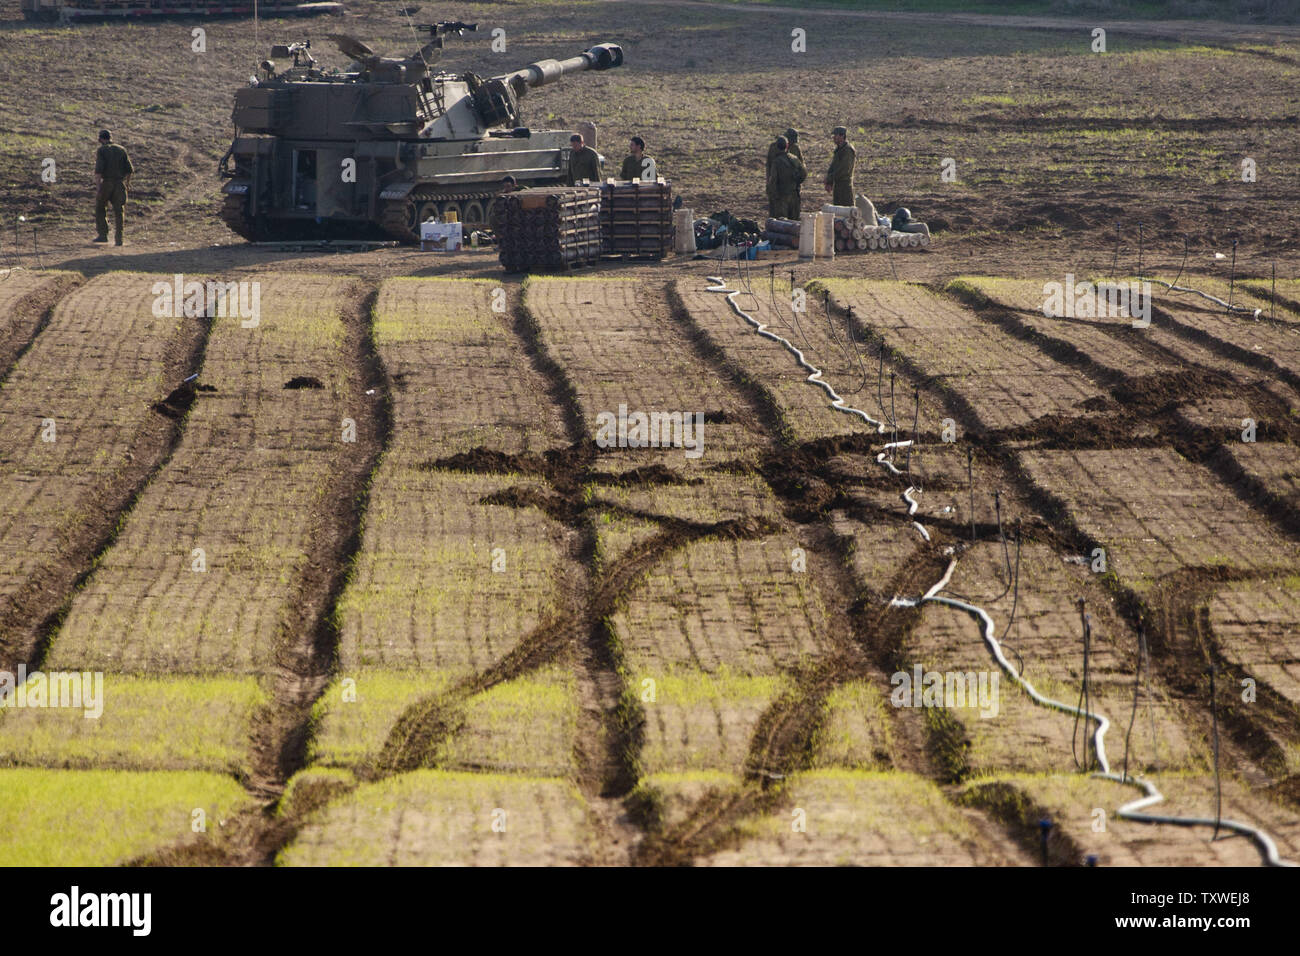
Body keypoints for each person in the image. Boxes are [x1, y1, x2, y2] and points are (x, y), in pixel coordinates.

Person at [94, 129, 133, 246]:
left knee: (100, 207)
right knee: (119, 211)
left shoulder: (102, 150)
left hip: (107, 183)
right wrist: (127, 183)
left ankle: (103, 235)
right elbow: (129, 170)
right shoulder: (122, 149)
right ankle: (119, 239)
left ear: (100, 139)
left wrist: (98, 187)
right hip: (119, 183)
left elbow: (98, 170)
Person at [765, 128, 803, 218]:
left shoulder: (796, 148)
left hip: (792, 188)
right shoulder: (774, 147)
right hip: (778, 187)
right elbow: (769, 167)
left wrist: (797, 181)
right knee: (777, 215)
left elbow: (802, 168)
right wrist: (770, 186)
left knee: (793, 215)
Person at [824, 125, 856, 207]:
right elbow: (833, 167)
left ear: (842, 136)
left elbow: (843, 170)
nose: (833, 137)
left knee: (847, 211)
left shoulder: (847, 150)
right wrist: (829, 182)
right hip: (838, 186)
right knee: (838, 212)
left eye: (835, 135)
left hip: (845, 187)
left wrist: (829, 178)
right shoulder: (839, 150)